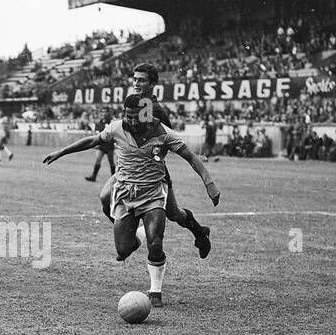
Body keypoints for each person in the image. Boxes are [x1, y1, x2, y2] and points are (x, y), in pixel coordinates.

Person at [43, 90, 220, 308]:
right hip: (125, 193)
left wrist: (209, 183)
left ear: (146, 113)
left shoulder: (163, 133)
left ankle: (155, 290)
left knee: (157, 241)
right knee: (123, 250)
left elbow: (191, 158)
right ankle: (145, 232)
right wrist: (61, 151)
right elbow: (93, 140)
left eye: (135, 116)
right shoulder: (117, 127)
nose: (130, 120)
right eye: (127, 115)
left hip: (153, 192)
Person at [84, 107, 116, 181]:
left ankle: (114, 178)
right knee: (98, 160)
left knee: (111, 162)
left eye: (105, 112)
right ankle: (93, 176)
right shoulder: (100, 123)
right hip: (102, 145)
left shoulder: (111, 122)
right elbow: (98, 133)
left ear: (108, 113)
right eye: (102, 112)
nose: (103, 114)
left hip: (109, 145)